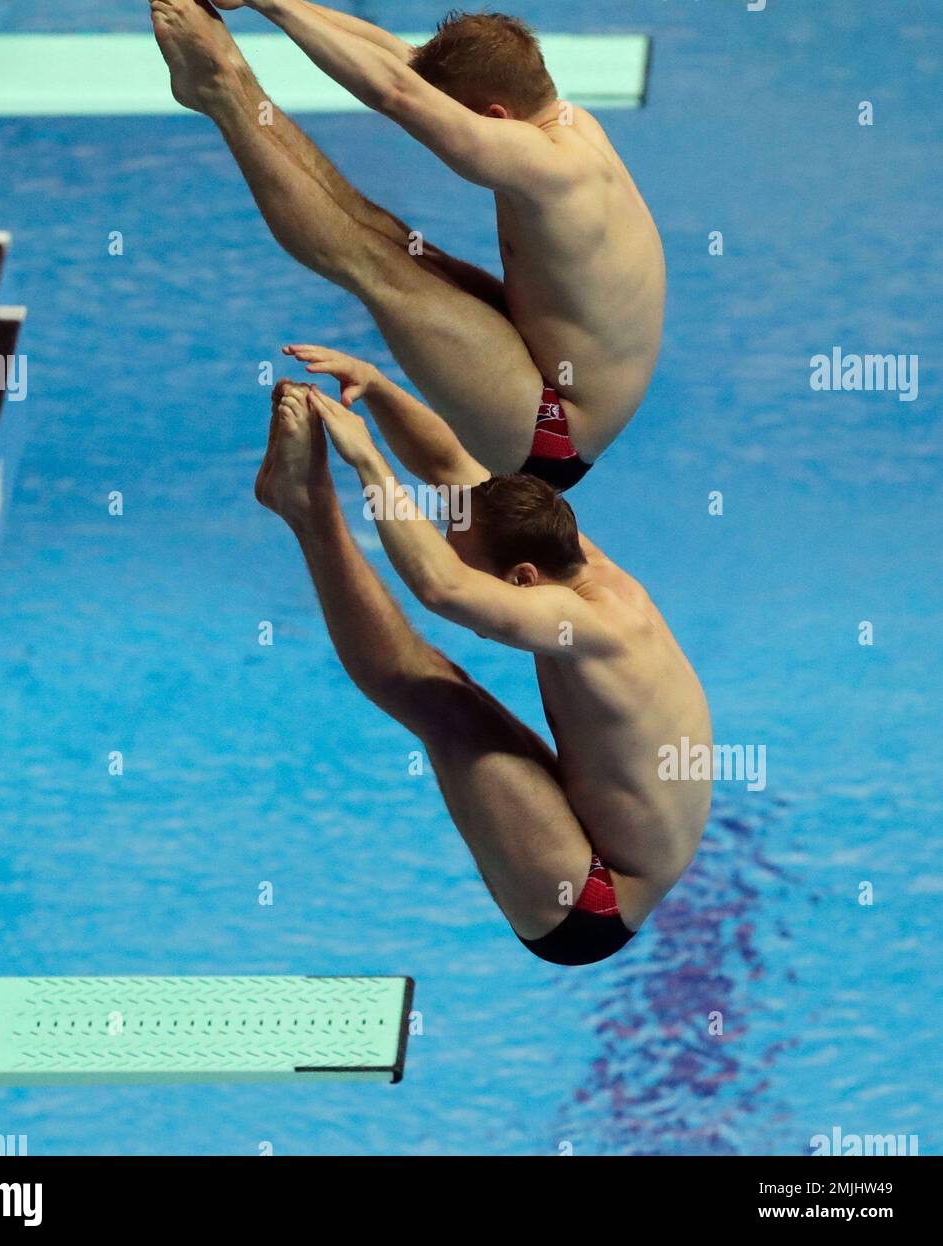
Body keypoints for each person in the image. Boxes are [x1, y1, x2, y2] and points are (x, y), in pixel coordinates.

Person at [151, 0, 665, 488]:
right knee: (384, 233)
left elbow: (395, 93)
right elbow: (402, 65)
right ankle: (222, 87)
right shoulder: (565, 121)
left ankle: (224, 90)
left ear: (494, 118)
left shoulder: (548, 165)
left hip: (551, 429)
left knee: (368, 261)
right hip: (543, 365)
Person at [255, 370, 711, 966]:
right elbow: (448, 466)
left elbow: (441, 587)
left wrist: (368, 461)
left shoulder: (598, 624)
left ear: (523, 580)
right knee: (454, 699)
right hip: (601, 840)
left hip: (590, 903)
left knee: (439, 704)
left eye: (472, 562)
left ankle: (307, 507)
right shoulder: (560, 547)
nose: (452, 551)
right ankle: (303, 500)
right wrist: (378, 387)